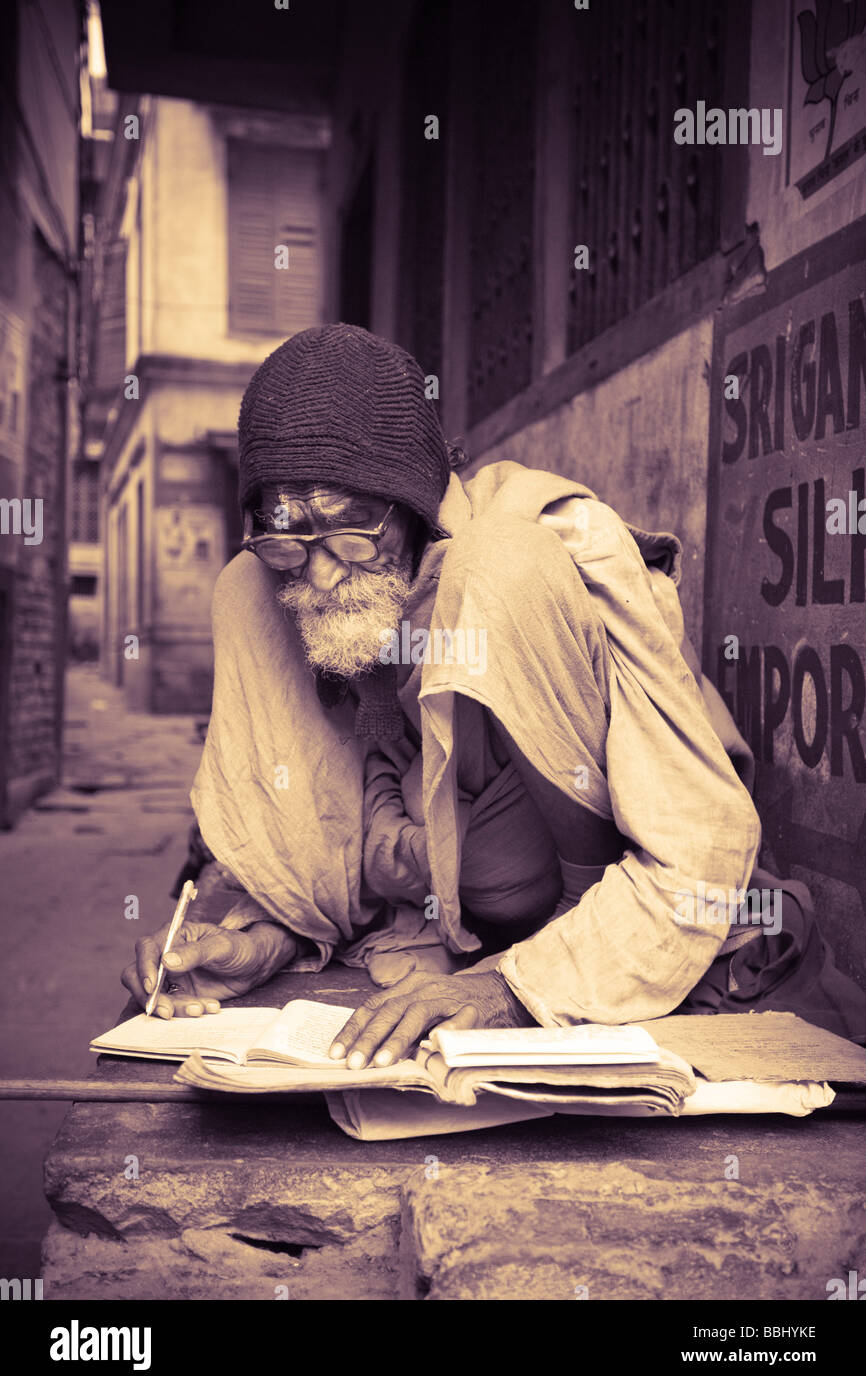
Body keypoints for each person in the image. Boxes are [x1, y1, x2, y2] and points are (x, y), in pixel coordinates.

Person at [121, 324, 866, 1065]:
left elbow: (702, 850)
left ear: (412, 505)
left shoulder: (552, 543)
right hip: (439, 895)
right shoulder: (304, 594)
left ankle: (573, 943)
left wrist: (509, 988)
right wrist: (262, 939)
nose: (318, 576)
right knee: (245, 591)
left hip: (593, 897)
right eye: (289, 543)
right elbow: (351, 827)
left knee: (496, 564)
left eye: (350, 536)